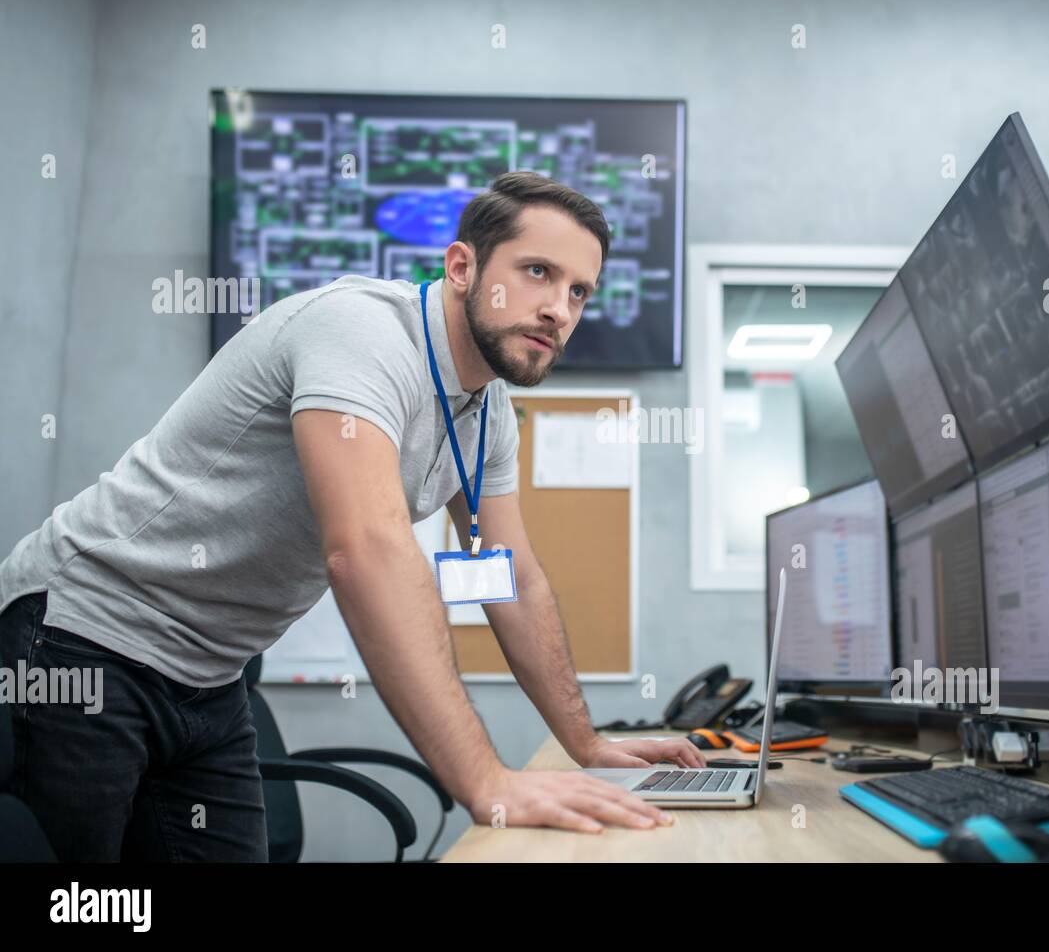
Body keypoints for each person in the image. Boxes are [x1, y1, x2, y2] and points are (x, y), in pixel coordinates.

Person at [0, 171, 705, 861]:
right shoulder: (362, 332)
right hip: (82, 636)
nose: (560, 308)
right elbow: (367, 549)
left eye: (579, 291)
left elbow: (508, 576)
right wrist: (485, 782)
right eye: (538, 272)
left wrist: (586, 743)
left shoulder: (486, 413)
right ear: (462, 265)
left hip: (210, 678)